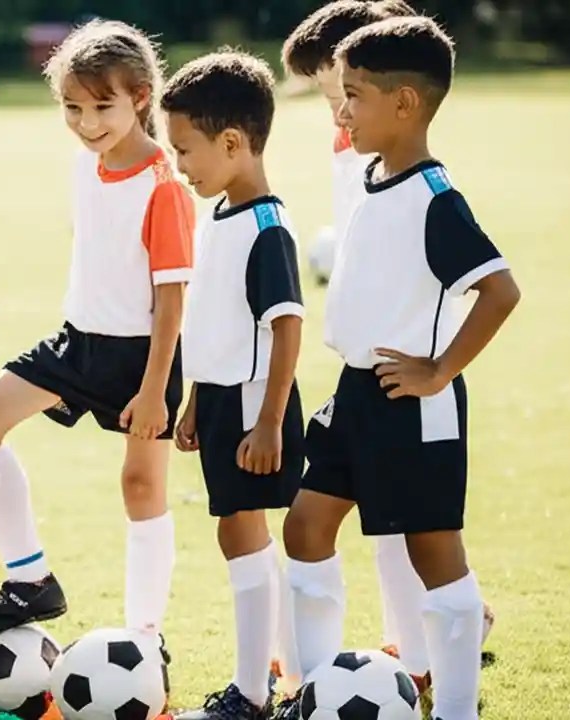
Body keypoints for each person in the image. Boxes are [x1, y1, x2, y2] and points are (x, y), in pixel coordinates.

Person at [275, 17, 521, 720]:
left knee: (433, 553)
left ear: (405, 103)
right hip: (356, 392)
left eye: (352, 95)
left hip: (413, 401)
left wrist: (439, 370)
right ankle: (315, 693)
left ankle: (456, 711)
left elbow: (500, 290)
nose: (341, 109)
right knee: (307, 527)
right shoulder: (376, 175)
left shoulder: (434, 196)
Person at [0, 19, 194, 656]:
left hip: (142, 357)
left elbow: (172, 302)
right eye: (72, 108)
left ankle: (145, 634)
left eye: (102, 107)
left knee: (141, 488)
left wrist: (155, 393)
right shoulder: (85, 168)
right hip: (74, 343)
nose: (87, 124)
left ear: (141, 97)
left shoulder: (165, 187)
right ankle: (29, 578)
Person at [160, 51, 305, 720]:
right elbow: (213, 319)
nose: (180, 164)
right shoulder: (218, 215)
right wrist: (193, 401)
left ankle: (251, 695)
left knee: (240, 531)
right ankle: (286, 672)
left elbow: (286, 330)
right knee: (238, 533)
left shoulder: (268, 229)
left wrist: (270, 422)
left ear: (232, 144)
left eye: (185, 150)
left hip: (253, 404)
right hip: (219, 399)